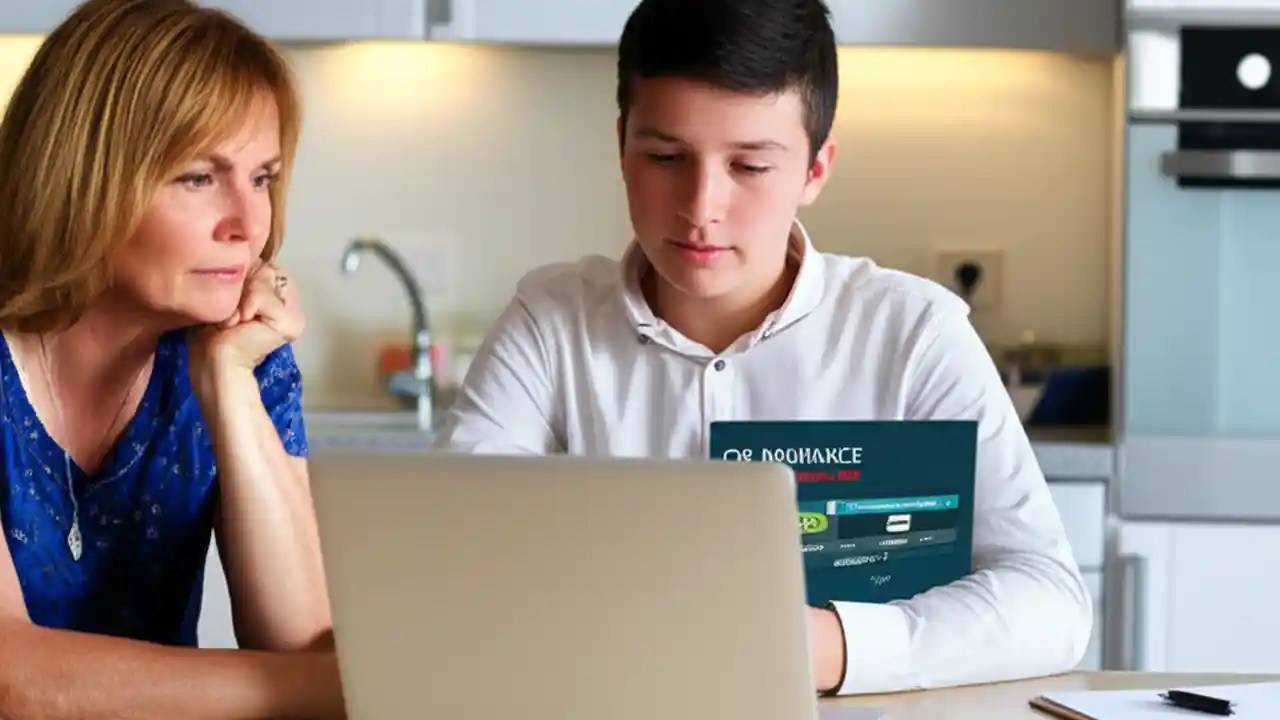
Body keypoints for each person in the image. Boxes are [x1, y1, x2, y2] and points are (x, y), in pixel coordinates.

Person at [433, 0, 1092, 697]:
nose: (701, 207)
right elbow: (448, 555)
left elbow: (1049, 602)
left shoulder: (914, 333)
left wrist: (825, 646)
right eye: (665, 157)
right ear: (621, 143)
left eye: (749, 166)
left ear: (815, 169)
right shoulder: (552, 321)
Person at [0, 1, 344, 717]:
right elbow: (13, 680)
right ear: (81, 178)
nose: (248, 226)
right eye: (197, 178)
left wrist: (228, 385)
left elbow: (301, 638)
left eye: (262, 178)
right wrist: (349, 688)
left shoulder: (246, 362)